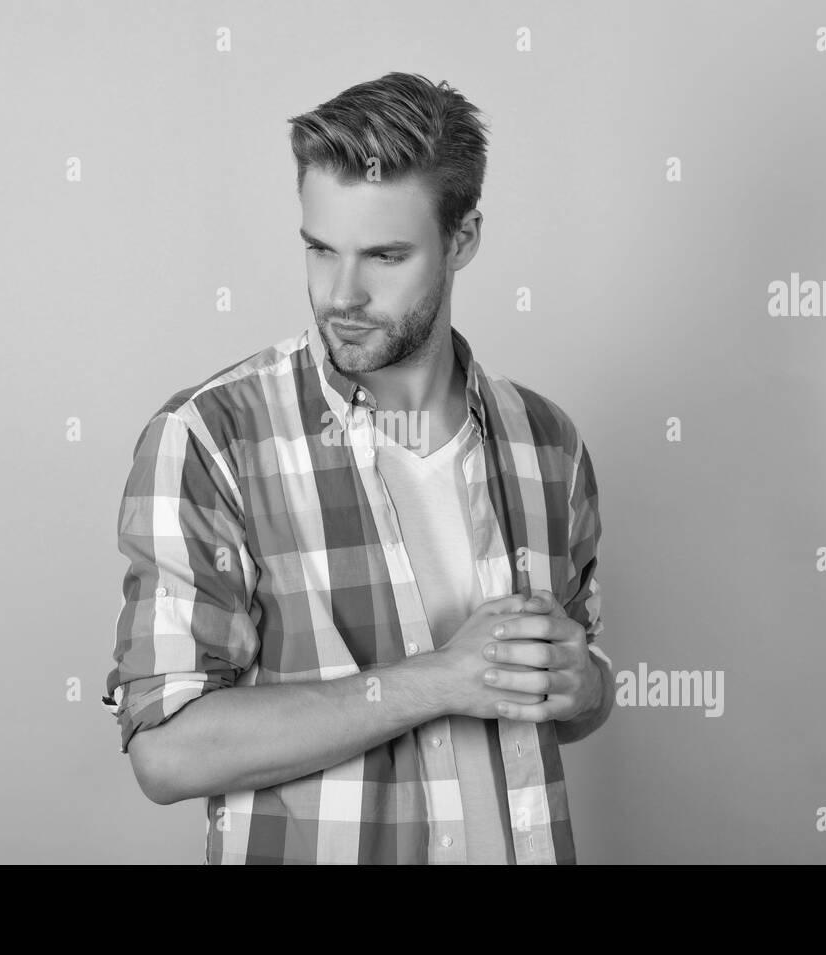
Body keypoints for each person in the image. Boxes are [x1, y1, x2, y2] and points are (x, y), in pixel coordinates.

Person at [102, 72, 612, 864]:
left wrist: (586, 687)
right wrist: (441, 677)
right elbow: (166, 751)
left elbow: (574, 702)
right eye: (319, 249)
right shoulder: (210, 437)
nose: (341, 293)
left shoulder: (547, 443)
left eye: (385, 255)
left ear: (464, 239)